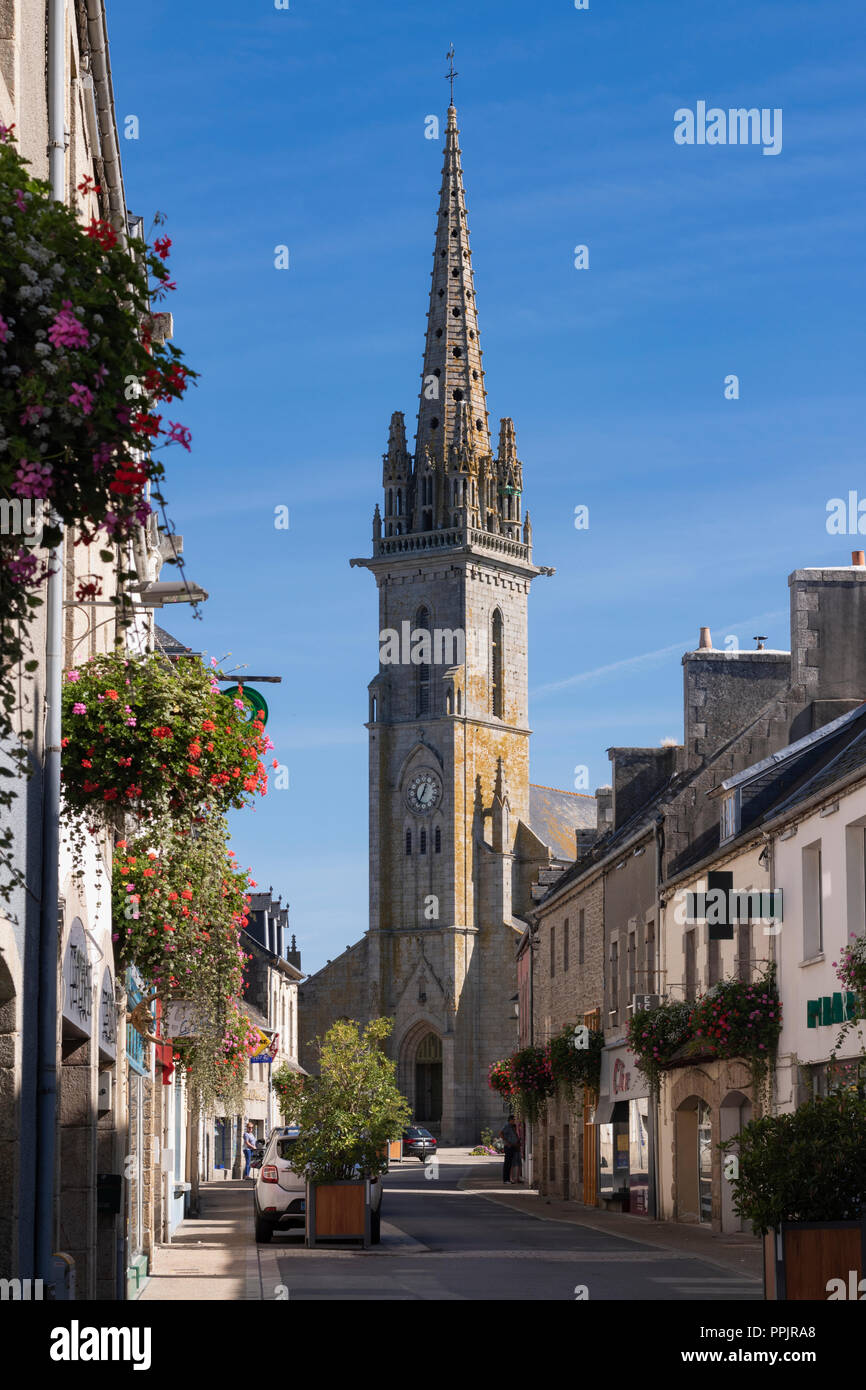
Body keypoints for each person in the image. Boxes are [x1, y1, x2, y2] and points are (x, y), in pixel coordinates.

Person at [499, 1114, 520, 1184]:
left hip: (513, 1146)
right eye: (514, 1119)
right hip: (509, 1147)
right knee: (507, 1163)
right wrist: (507, 1142)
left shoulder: (511, 1126)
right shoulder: (507, 1126)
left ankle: (508, 1179)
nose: (515, 1121)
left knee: (510, 1163)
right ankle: (506, 1180)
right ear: (510, 1120)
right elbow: (501, 1133)